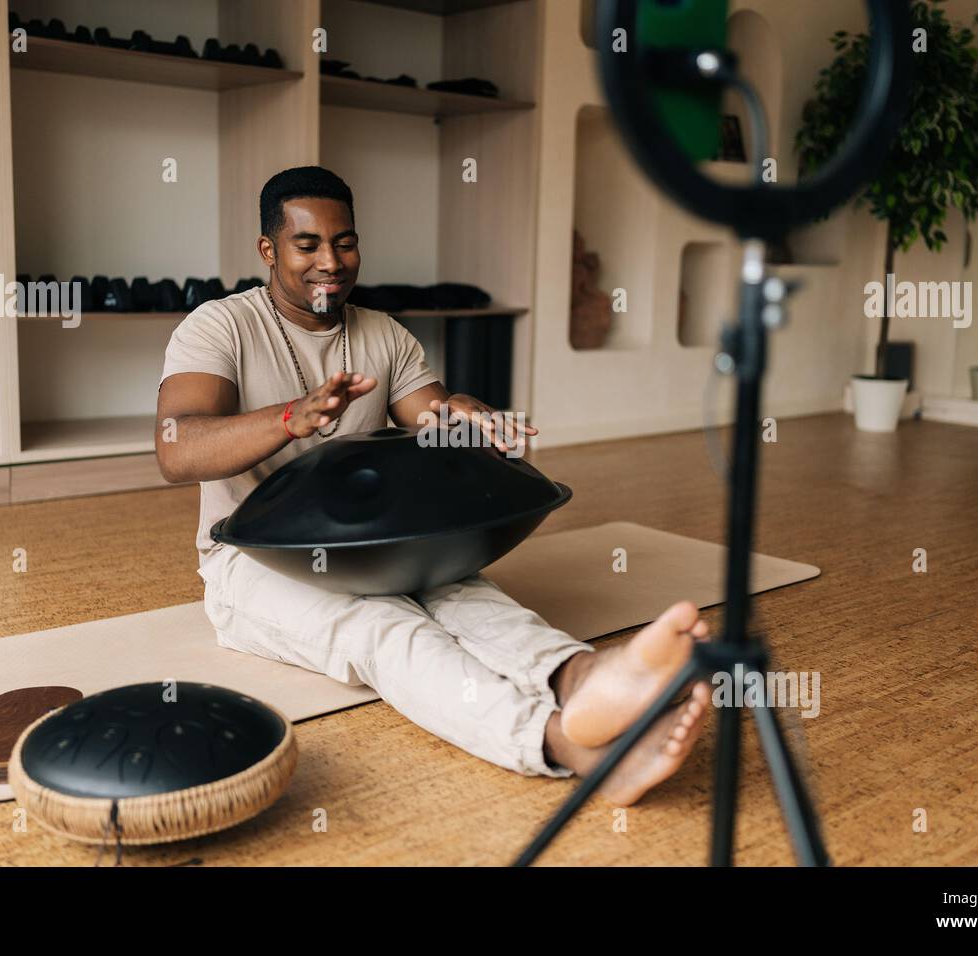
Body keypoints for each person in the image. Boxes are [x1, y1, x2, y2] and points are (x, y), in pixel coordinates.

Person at [156, 166, 712, 804]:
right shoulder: (218, 326)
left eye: (344, 242)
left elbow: (435, 415)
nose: (329, 262)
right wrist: (294, 416)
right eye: (306, 244)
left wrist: (471, 421)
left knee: (471, 597)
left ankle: (584, 676)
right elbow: (176, 449)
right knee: (386, 630)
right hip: (252, 564)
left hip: (372, 548)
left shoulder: (383, 333)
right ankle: (565, 743)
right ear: (268, 250)